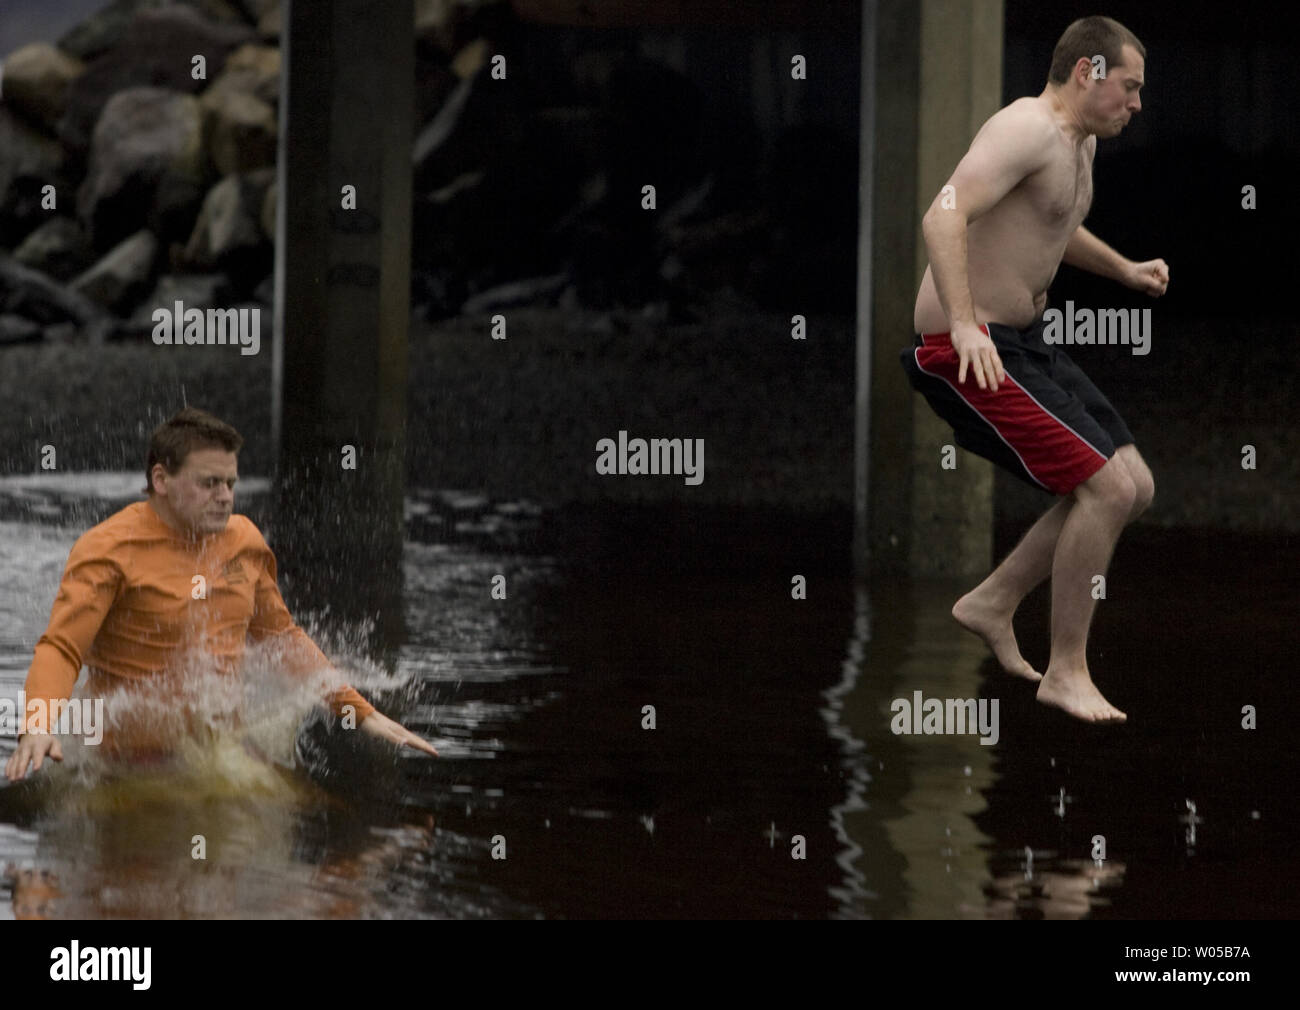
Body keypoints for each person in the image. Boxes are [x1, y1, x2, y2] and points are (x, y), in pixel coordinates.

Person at [900, 16, 1168, 724]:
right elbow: (942, 215)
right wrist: (963, 323)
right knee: (1105, 488)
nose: (1137, 105)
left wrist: (1124, 270)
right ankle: (1066, 670)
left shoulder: (1076, 146)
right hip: (966, 348)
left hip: (1020, 340)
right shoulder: (1027, 127)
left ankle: (992, 601)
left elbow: (1053, 222)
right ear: (1088, 71)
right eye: (1130, 88)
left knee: (1133, 484)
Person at [4, 407, 438, 782]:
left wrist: (360, 711)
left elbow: (281, 637)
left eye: (230, 483)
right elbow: (62, 648)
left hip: (222, 752)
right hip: (131, 765)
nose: (225, 497)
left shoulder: (244, 542)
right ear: (161, 479)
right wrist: (38, 725)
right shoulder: (107, 550)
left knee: (323, 839)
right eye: (209, 483)